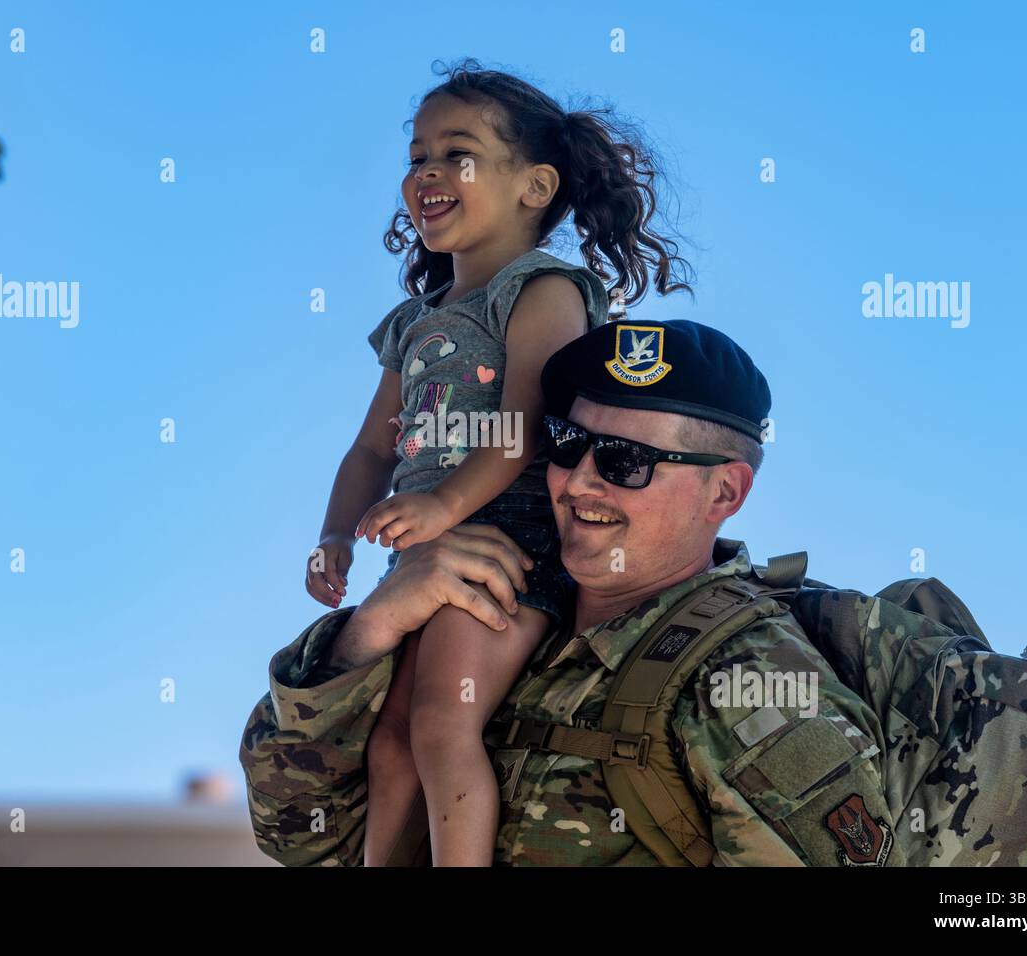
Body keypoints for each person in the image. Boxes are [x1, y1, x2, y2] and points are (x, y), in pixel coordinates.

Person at [248, 318, 918, 866]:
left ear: (726, 491)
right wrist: (369, 632)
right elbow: (299, 833)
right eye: (568, 444)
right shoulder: (497, 630)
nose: (579, 481)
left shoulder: (751, 686)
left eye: (627, 461)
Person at [303, 60, 693, 866]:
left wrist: (443, 510)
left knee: (444, 725)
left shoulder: (541, 288)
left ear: (535, 185)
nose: (429, 173)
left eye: (458, 153)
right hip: (425, 554)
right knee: (390, 747)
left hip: (503, 546)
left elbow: (520, 430)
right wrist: (337, 534)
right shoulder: (412, 322)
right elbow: (374, 446)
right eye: (417, 157)